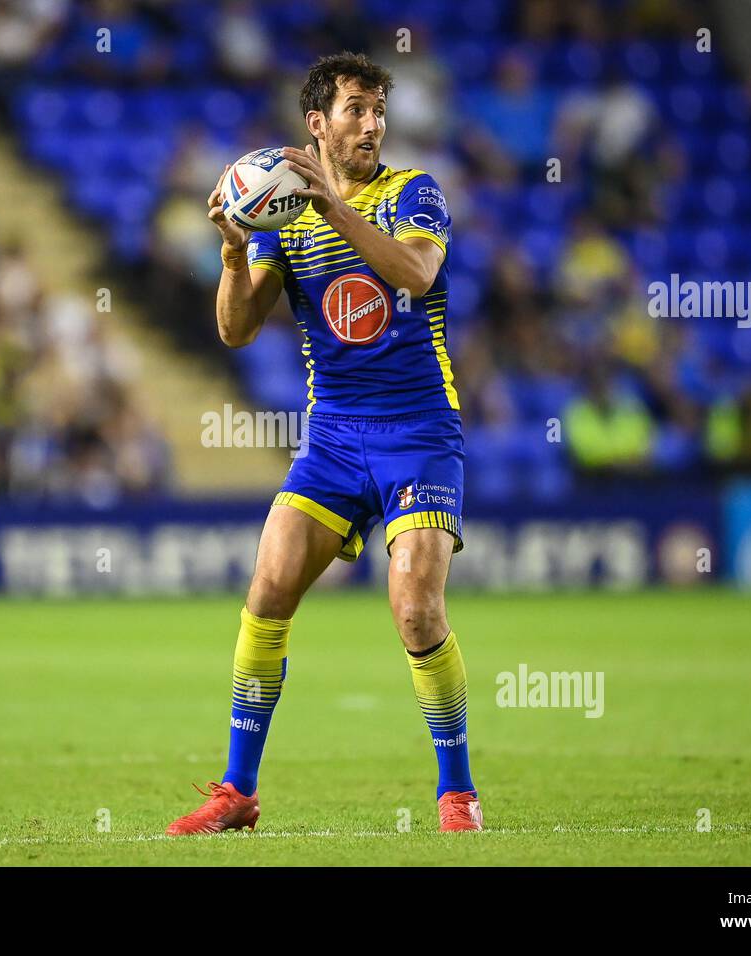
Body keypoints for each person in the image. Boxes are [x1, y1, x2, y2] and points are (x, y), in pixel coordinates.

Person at [167, 52, 481, 835]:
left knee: (414, 609)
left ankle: (457, 794)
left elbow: (412, 272)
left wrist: (330, 207)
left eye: (378, 110)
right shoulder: (283, 217)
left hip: (419, 433)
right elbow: (235, 331)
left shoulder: (414, 192)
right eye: (354, 110)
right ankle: (237, 793)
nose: (371, 124)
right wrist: (235, 248)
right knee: (268, 590)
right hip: (335, 437)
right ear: (317, 123)